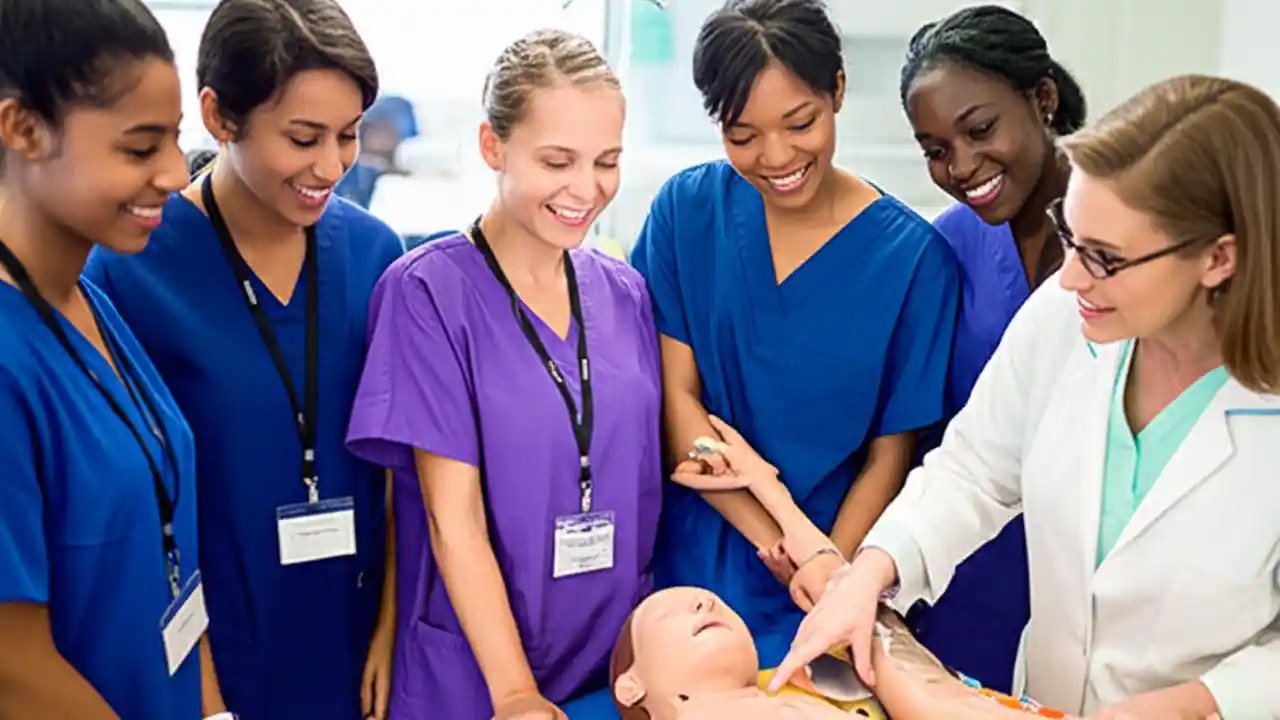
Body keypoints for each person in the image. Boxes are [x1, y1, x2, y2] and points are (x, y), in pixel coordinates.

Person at [774, 74, 1280, 719]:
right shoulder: (1066, 318)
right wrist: (873, 569)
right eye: (1069, 237)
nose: (1069, 277)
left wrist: (1196, 703)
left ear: (1219, 259)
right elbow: (973, 471)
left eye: (1104, 257)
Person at [83, 1, 403, 718]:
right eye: (302, 137)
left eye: (347, 135)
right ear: (220, 117)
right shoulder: (127, 270)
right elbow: (133, 510)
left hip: (356, 642)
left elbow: (399, 471)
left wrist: (391, 631)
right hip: (213, 652)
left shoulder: (378, 255)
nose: (331, 166)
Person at [630, 0, 959, 667]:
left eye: (800, 122)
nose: (775, 156)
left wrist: (831, 578)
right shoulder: (687, 213)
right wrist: (782, 545)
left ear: (837, 89)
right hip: (686, 587)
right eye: (742, 134)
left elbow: (888, 459)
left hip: (833, 584)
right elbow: (676, 403)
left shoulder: (915, 262)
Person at [345, 29, 662, 720]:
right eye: (558, 161)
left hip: (614, 663)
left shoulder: (624, 293)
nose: (587, 188)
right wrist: (515, 692)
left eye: (606, 161)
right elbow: (447, 515)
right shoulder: (427, 293)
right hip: (478, 673)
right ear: (493, 147)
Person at [0, 1, 216, 718]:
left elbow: (171, 566)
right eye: (139, 147)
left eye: (176, 141)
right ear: (23, 129)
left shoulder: (89, 300)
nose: (175, 172)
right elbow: (13, 670)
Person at [896, 5, 1088, 692]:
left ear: (1042, 98)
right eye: (936, 149)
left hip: (1099, 574)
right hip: (967, 568)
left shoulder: (1130, 232)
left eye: (980, 130)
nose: (962, 166)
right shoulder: (947, 245)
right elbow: (932, 432)